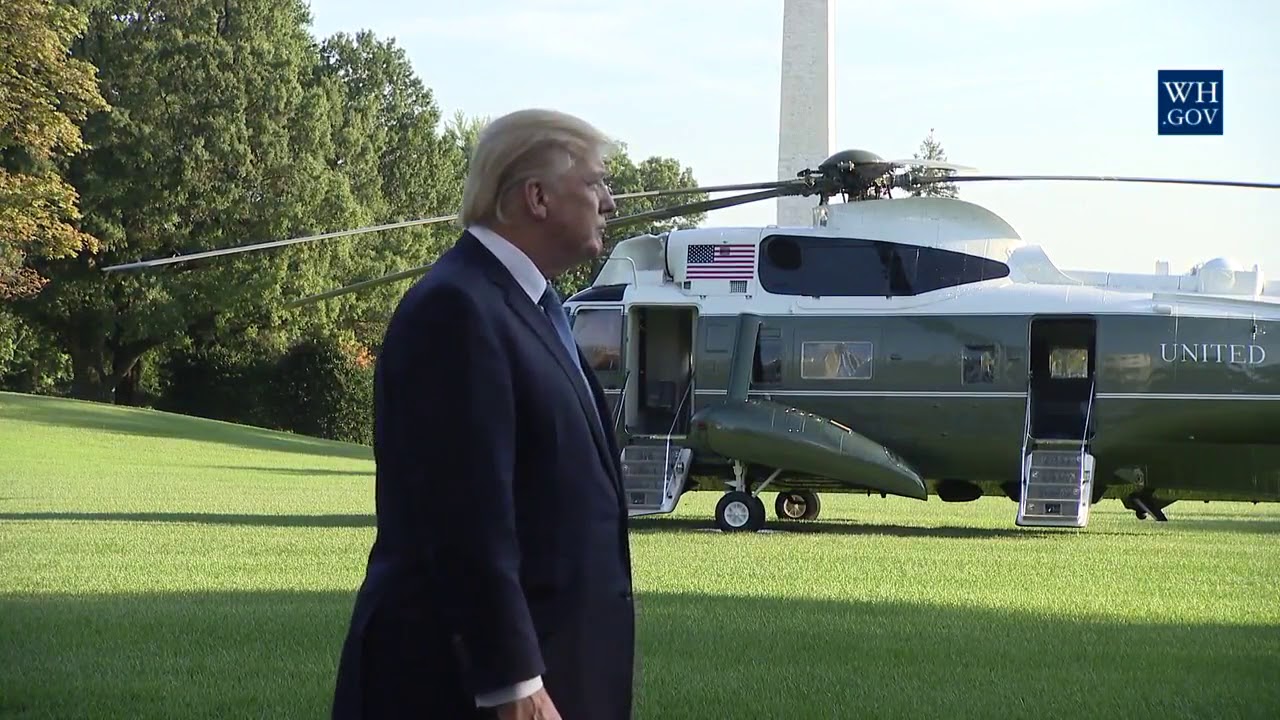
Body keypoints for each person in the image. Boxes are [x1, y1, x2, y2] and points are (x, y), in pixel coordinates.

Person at [330, 109, 635, 719]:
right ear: (538, 197)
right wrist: (512, 679)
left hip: (554, 671)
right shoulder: (458, 310)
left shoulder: (530, 308)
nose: (610, 202)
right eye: (597, 183)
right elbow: (464, 512)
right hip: (463, 689)